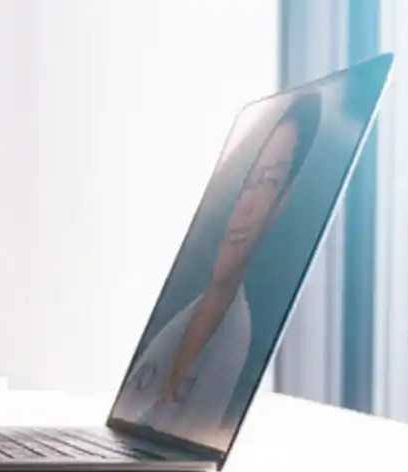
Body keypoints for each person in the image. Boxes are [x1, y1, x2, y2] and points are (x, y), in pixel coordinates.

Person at [120, 92, 322, 437]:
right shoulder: (183, 319)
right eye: (249, 181)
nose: (246, 205)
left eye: (270, 182)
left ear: (283, 202)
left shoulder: (234, 343)